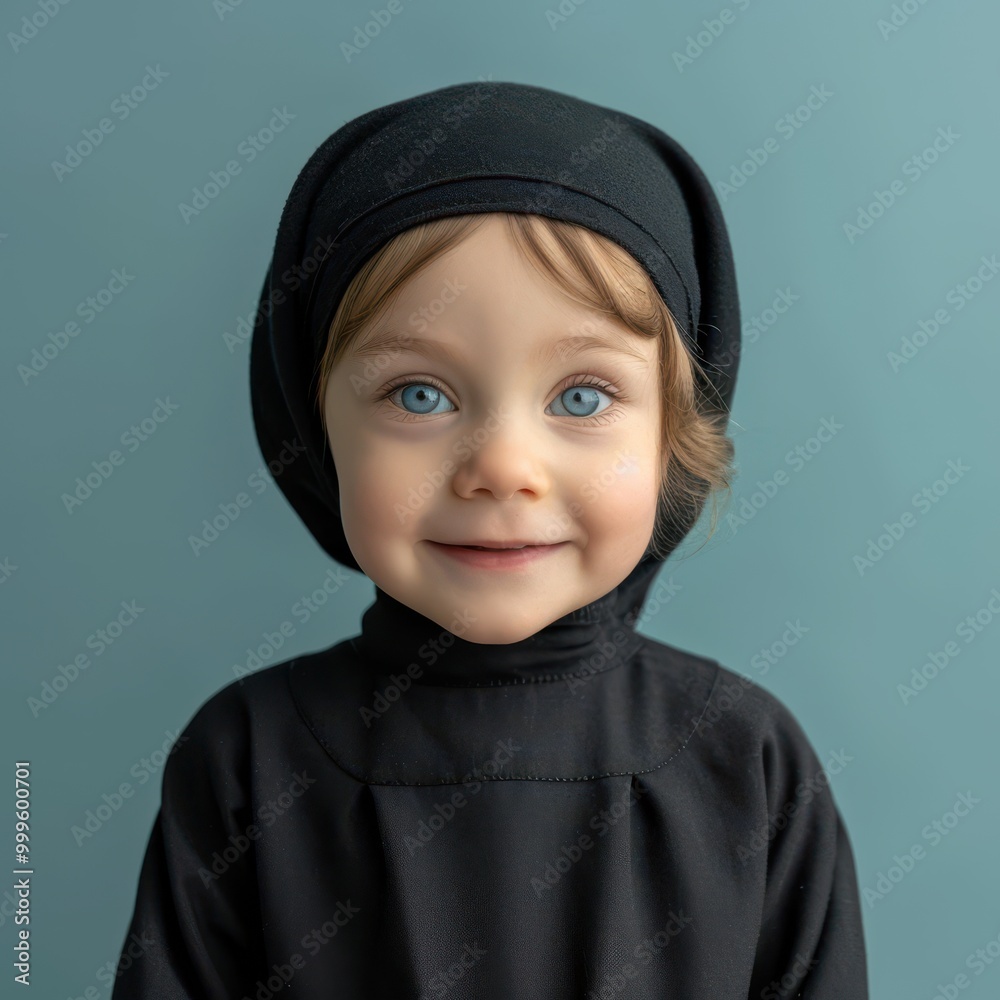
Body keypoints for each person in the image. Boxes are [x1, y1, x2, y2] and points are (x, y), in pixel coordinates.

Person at [110, 81, 870, 999]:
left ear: (674, 437)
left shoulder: (749, 762)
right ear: (315, 432)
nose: (503, 467)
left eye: (581, 397)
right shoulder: (244, 762)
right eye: (418, 394)